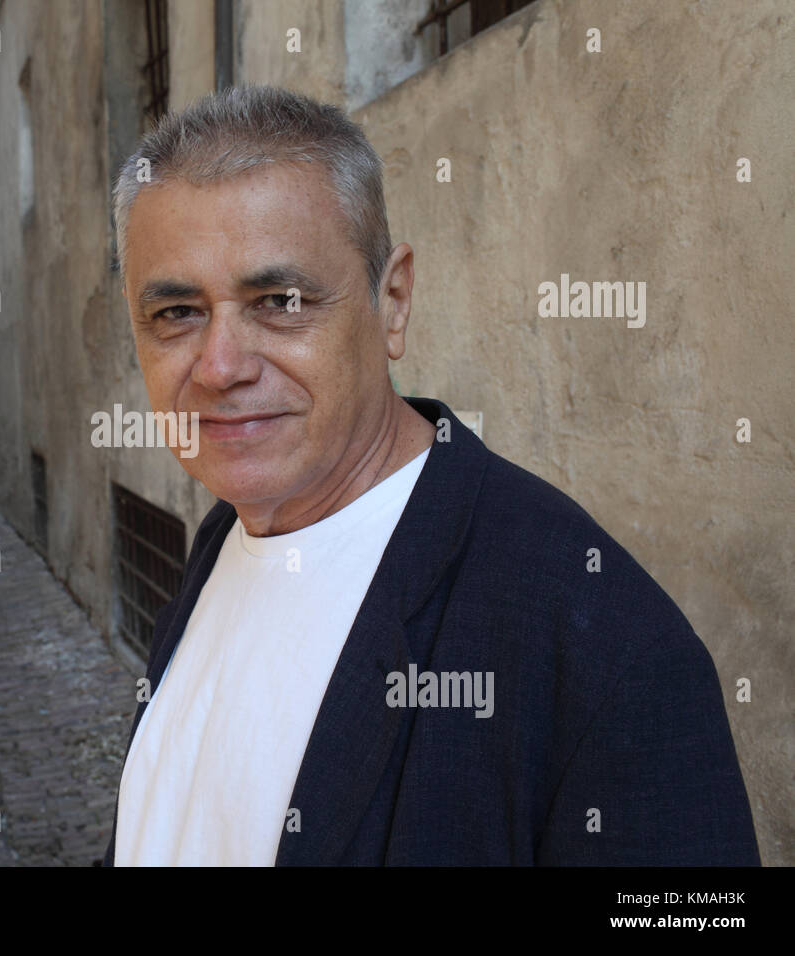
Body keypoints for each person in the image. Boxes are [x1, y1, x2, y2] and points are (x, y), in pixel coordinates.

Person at [100, 85, 759, 866]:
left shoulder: (602, 645)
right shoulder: (228, 534)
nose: (219, 367)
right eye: (177, 313)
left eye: (280, 300)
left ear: (393, 301)